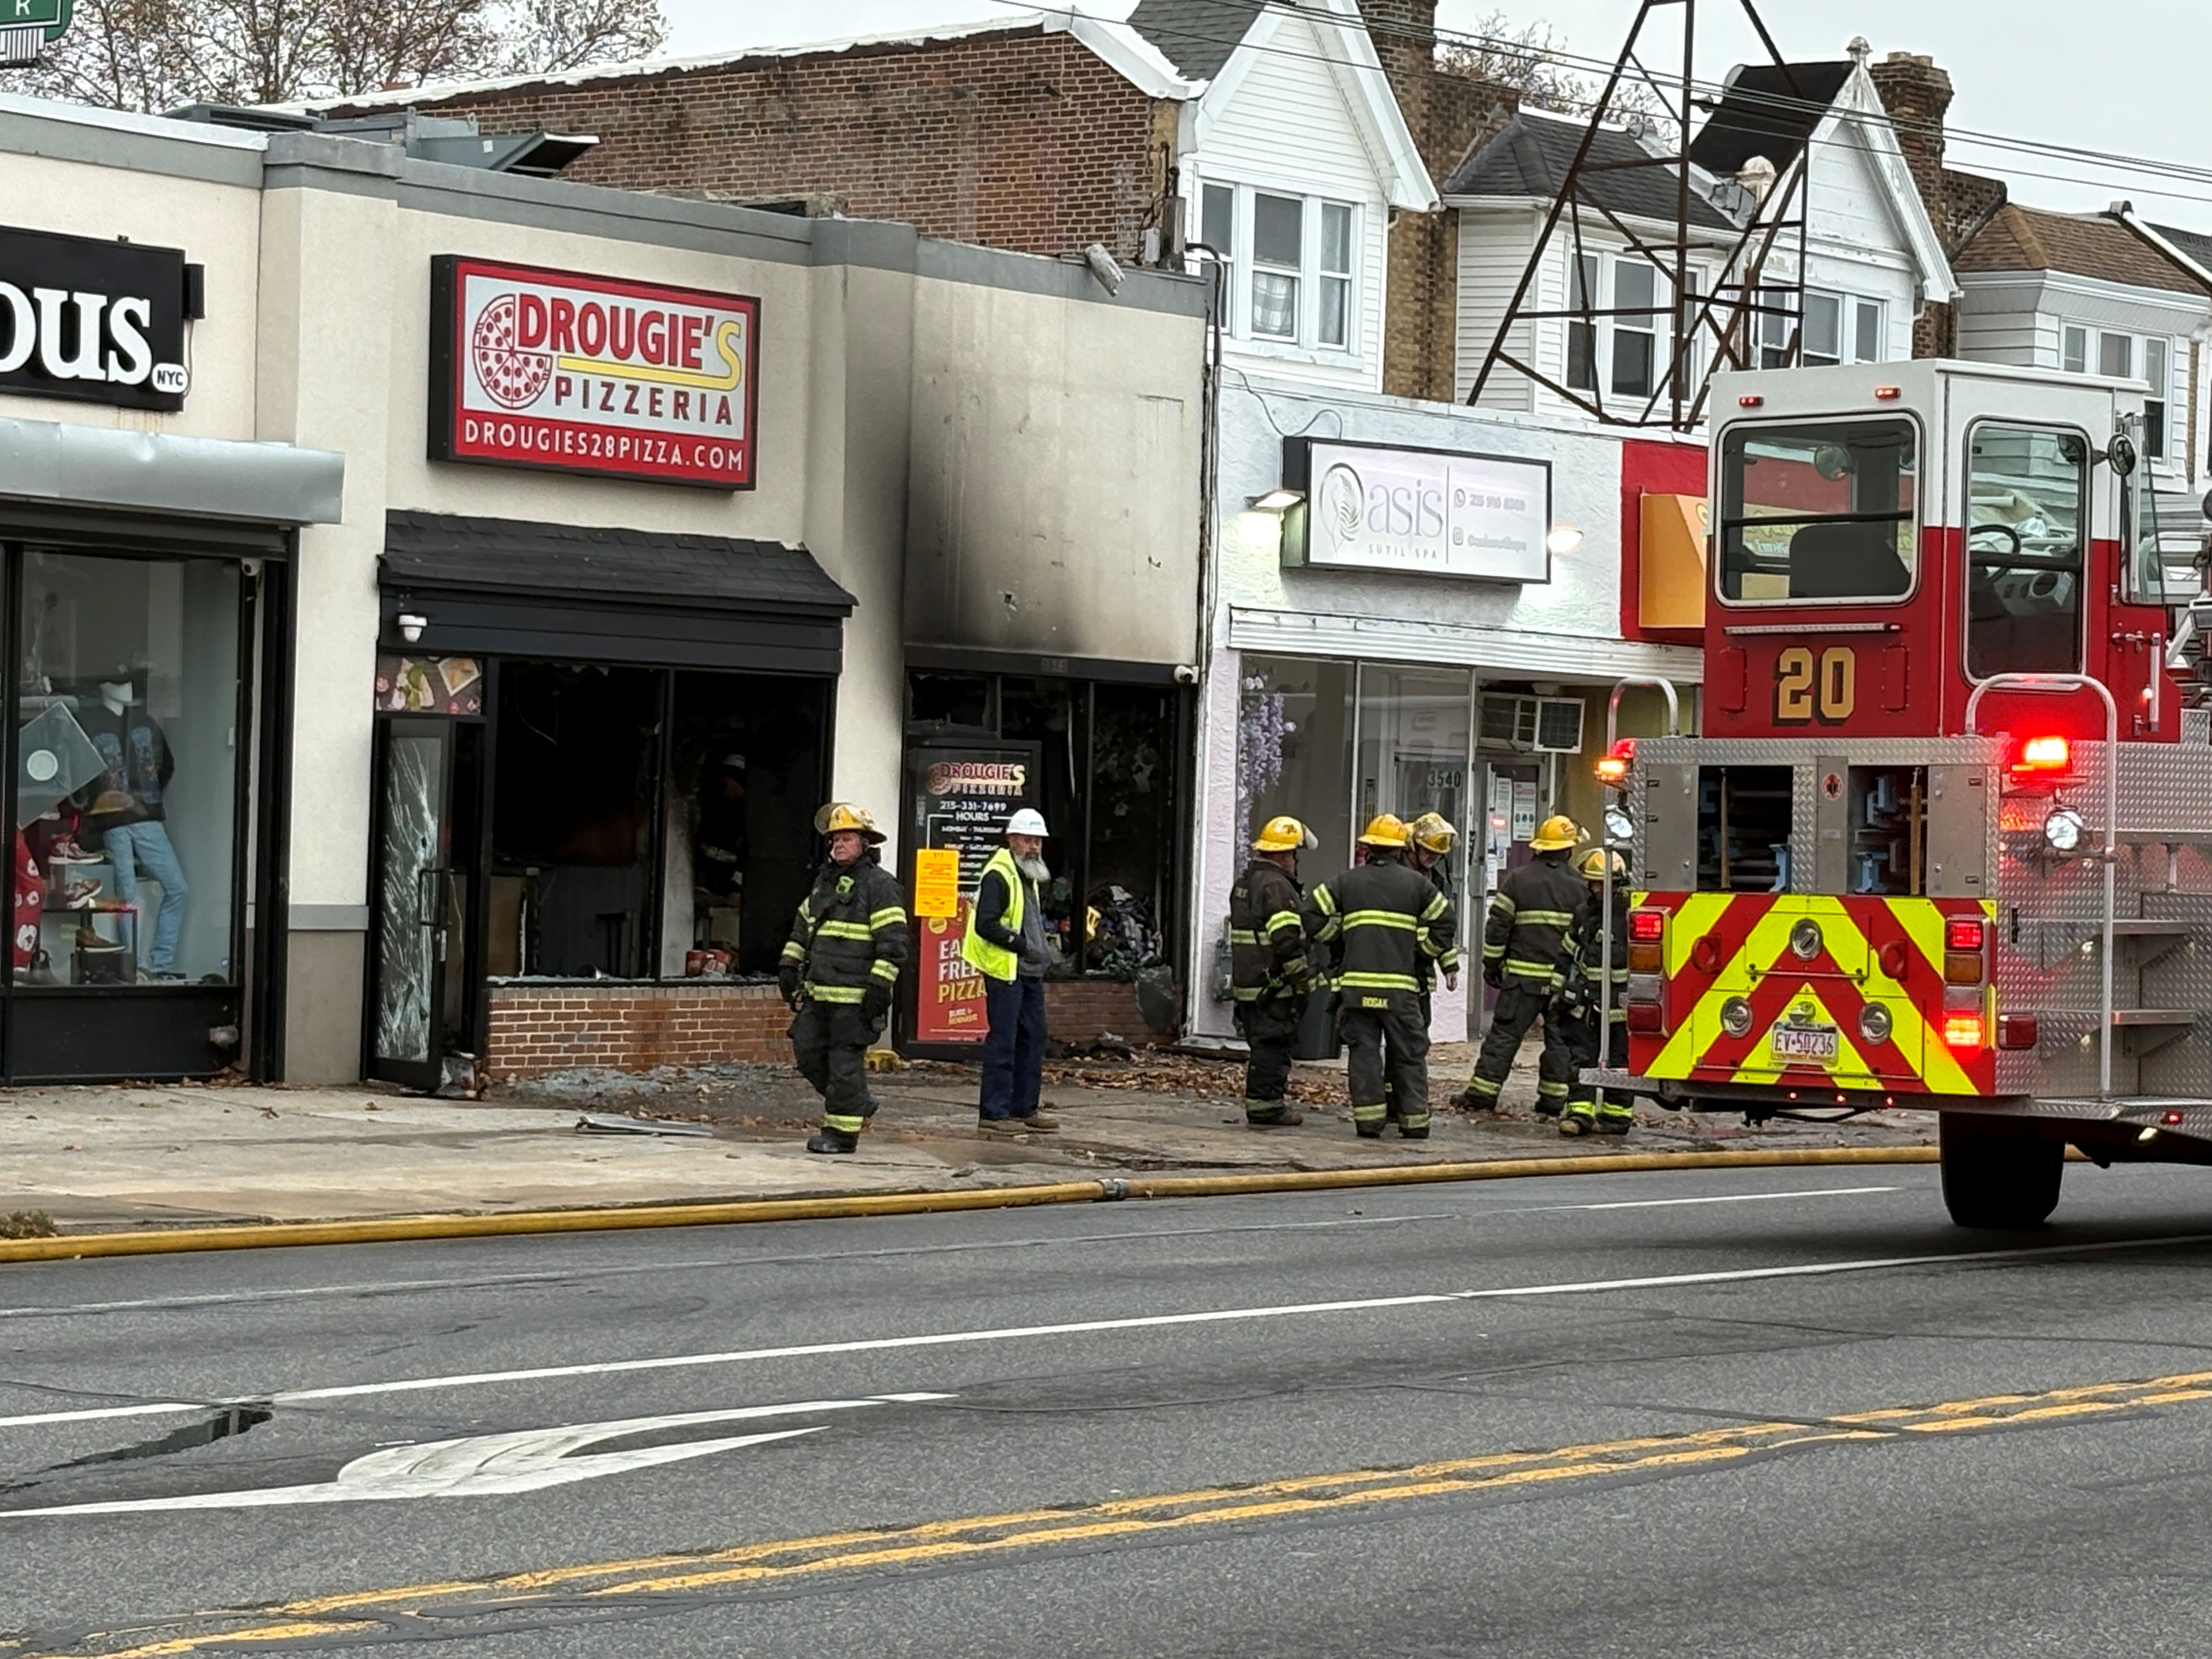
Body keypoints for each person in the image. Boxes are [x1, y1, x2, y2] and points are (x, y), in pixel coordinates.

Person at [1307, 815, 1457, 1139]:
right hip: (1401, 991)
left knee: (1364, 1053)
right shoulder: (1418, 885)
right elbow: (1446, 920)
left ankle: (1370, 1122)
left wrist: (1337, 938)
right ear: (1402, 847)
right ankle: (1414, 1122)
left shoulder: (1347, 882)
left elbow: (1311, 912)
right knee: (1409, 1054)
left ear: (1369, 848)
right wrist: (1425, 953)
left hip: (1357, 989)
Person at [781, 803, 908, 1155]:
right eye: (835, 839)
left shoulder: (881, 887)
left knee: (844, 1067)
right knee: (807, 1054)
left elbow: (894, 945)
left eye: (847, 838)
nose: (838, 845)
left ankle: (841, 1135)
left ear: (865, 843)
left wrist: (879, 988)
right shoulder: (824, 885)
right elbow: (802, 930)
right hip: (819, 995)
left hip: (855, 999)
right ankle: (857, 1103)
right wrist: (788, 968)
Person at [1458, 814, 1586, 1117]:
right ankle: (1554, 1100)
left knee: (1504, 1036)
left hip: (1521, 979)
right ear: (1567, 850)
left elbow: (1498, 927)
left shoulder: (1518, 880)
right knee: (1559, 1041)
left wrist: (1492, 964)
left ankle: (1482, 1095)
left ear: (1540, 848)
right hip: (1560, 983)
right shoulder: (1579, 886)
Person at [964, 807, 1060, 1134]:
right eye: (1027, 840)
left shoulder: (1027, 874)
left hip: (1028, 970)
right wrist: (1020, 945)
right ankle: (993, 1114)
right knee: (1003, 1040)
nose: (1033, 847)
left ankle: (1024, 1108)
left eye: (1037, 841)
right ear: (1012, 840)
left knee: (1033, 1038)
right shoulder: (999, 874)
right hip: (1006, 969)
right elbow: (985, 924)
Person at [1229, 815, 1321, 1128]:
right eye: (1294, 854)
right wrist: (1301, 980)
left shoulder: (1247, 881)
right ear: (1282, 855)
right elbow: (1285, 939)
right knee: (1273, 1046)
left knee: (1262, 1045)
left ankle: (1264, 1102)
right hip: (1273, 985)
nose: (1295, 861)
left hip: (1250, 982)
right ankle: (1266, 1107)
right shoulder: (1276, 886)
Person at [1558, 847, 1634, 1137]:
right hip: (1588, 1004)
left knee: (1620, 1062)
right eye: (1593, 883)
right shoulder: (1584, 914)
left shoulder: (1629, 915)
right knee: (1581, 1058)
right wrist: (1560, 990)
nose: (1596, 889)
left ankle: (1616, 1119)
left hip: (1621, 1007)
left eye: (1602, 883)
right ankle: (1579, 1114)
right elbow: (1567, 953)